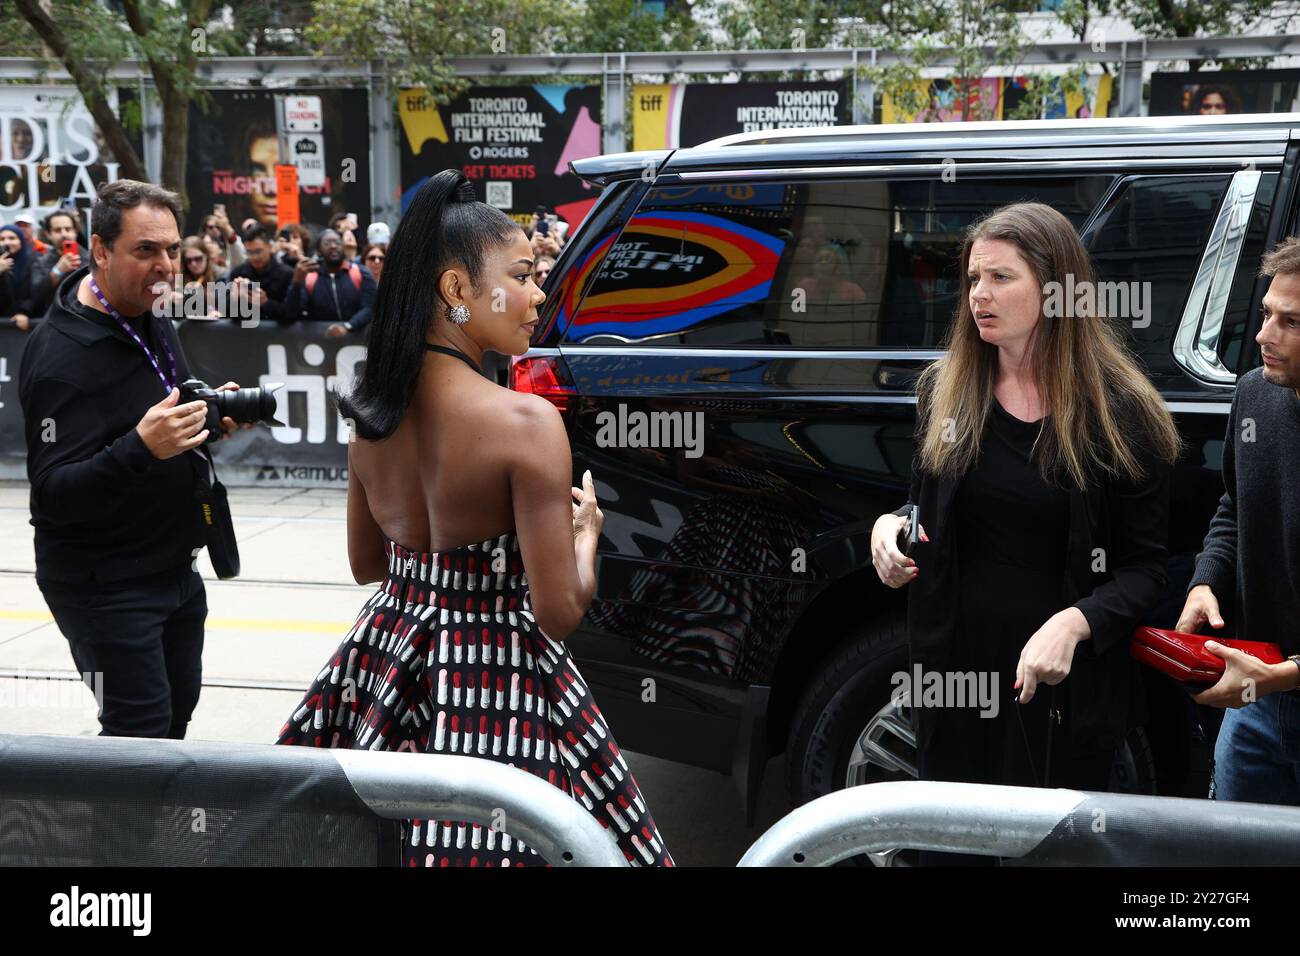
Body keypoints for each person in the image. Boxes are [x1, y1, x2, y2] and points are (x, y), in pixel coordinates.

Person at [276, 169, 674, 867]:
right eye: (522, 275)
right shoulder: (525, 422)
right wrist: (586, 539)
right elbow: (556, 612)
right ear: (458, 291)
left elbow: (368, 565)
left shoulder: (371, 414)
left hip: (386, 661)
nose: (538, 293)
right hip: (500, 682)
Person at [869, 202, 1180, 836]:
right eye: (973, 278)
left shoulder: (1121, 415)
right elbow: (927, 509)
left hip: (1061, 692)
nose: (979, 294)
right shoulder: (945, 389)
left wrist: (1076, 622)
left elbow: (1146, 570)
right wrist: (892, 528)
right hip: (953, 679)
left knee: (1046, 850)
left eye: (1001, 278)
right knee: (949, 845)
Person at [17, 179, 251, 739]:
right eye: (145, 250)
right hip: (103, 585)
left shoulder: (149, 314)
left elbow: (160, 420)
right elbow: (51, 495)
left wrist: (207, 420)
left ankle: (149, 829)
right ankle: (100, 830)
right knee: (136, 732)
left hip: (173, 569)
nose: (166, 265)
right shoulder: (58, 357)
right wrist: (141, 447)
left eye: (171, 249)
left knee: (172, 721)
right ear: (100, 251)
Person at [1176, 236, 1300, 805]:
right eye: (1268, 313)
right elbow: (1233, 506)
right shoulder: (1254, 396)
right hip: (1256, 698)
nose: (1263, 335)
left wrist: (1289, 673)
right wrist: (1207, 581)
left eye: (1290, 323)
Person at [287, 228, 377, 338]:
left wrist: (348, 327)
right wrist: (297, 282)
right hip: (321, 344)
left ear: (343, 247)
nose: (333, 246)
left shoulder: (361, 273)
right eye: (327, 243)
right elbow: (292, 313)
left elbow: (370, 307)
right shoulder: (310, 277)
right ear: (319, 250)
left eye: (337, 242)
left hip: (359, 343)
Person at [226, 224, 295, 326]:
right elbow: (226, 315)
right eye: (249, 252)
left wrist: (266, 303)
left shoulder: (287, 274)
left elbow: (292, 313)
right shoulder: (238, 273)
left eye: (259, 251)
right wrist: (234, 298)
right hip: (243, 336)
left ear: (270, 247)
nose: (254, 257)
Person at [29, 209, 87, 319]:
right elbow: (36, 296)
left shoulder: (91, 259)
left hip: (85, 321)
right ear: (48, 234)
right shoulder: (41, 262)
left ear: (75, 231)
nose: (64, 234)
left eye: (68, 229)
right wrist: (57, 271)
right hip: (53, 321)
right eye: (57, 230)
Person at [0, 224, 36, 330]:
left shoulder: (33, 261)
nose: (7, 242)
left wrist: (24, 312)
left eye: (12, 238)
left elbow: (35, 292)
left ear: (21, 241)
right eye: (2, 239)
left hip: (25, 321)